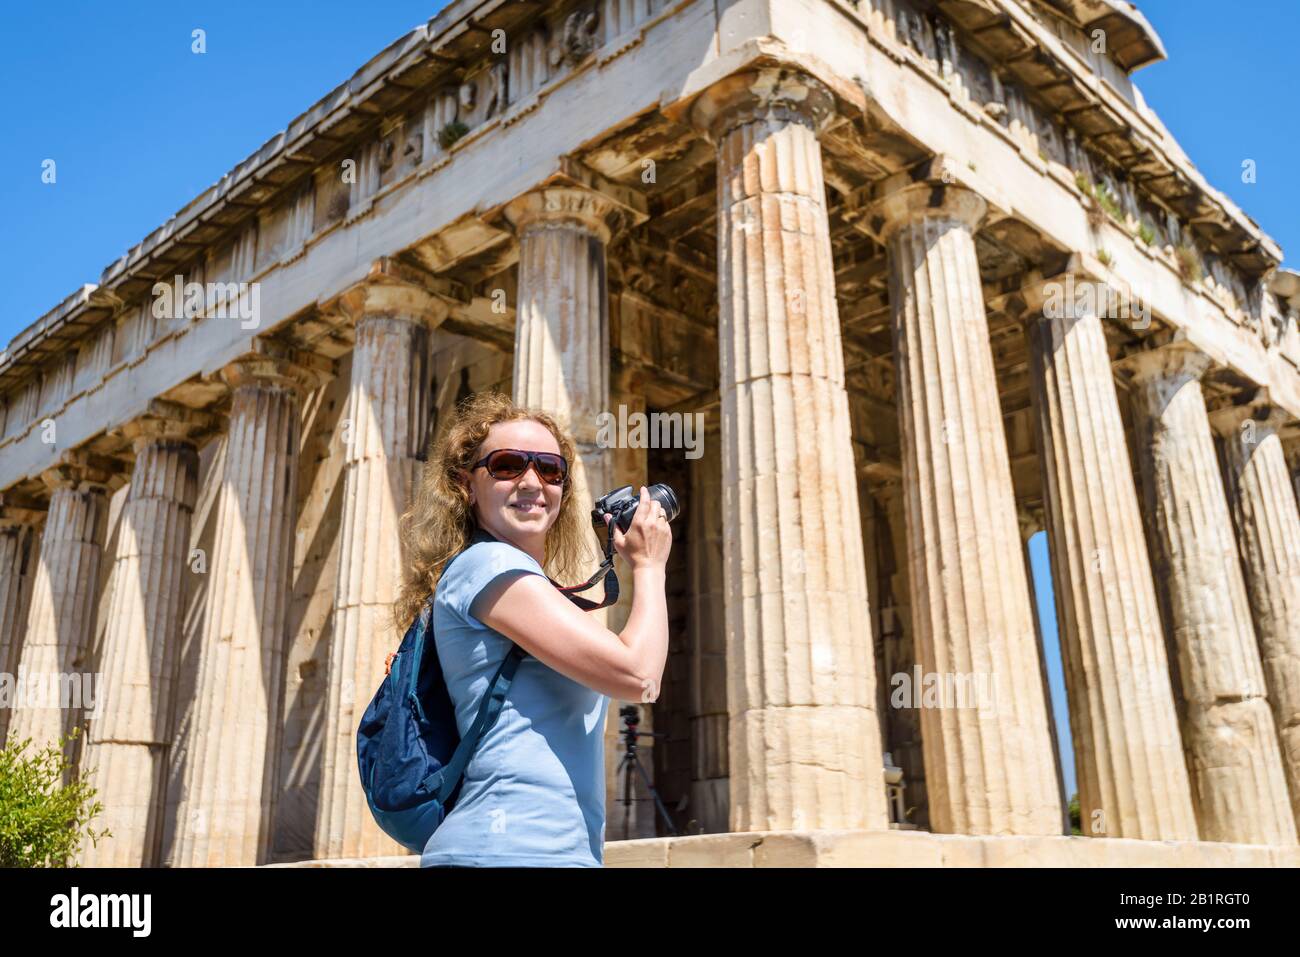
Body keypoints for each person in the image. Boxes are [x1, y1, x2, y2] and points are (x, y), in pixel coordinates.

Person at [394, 391, 671, 867]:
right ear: (466, 484)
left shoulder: (518, 581)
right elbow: (638, 676)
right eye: (506, 465)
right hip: (511, 850)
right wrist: (649, 567)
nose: (531, 481)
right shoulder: (487, 565)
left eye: (549, 469)